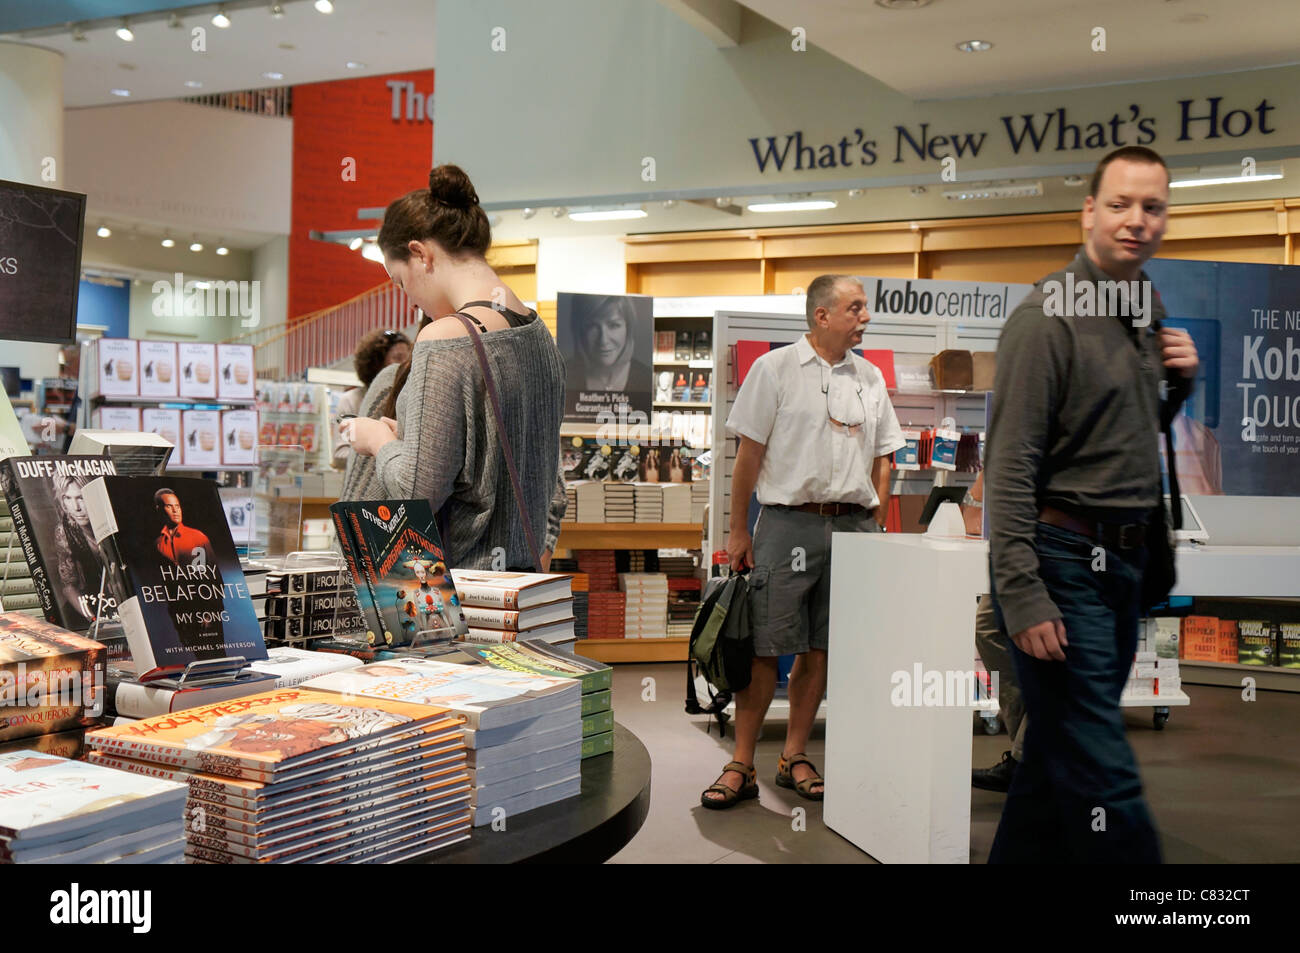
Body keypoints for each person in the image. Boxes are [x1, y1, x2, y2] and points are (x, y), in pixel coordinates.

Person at [985, 146, 1199, 863]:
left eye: (1153, 207)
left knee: (1055, 762)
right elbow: (1009, 463)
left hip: (1125, 570)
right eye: (1120, 204)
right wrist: (1022, 591)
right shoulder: (1046, 318)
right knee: (1107, 776)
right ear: (1088, 212)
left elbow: (1123, 438)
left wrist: (1178, 387)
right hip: (1064, 564)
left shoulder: (1146, 308)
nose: (1137, 221)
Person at [702, 274, 905, 808]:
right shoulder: (773, 371)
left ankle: (795, 756)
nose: (865, 316)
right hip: (786, 522)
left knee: (822, 645)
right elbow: (748, 455)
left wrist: (877, 516)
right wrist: (737, 529)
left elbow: (886, 454)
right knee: (765, 645)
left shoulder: (870, 378)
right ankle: (741, 763)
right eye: (855, 308)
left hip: (853, 528)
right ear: (822, 315)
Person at [345, 164, 567, 571]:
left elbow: (416, 492)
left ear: (420, 254)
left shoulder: (444, 338)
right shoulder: (538, 334)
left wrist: (378, 441)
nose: (410, 298)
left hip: (463, 592)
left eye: (400, 281)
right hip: (518, 583)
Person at [332, 329, 411, 470]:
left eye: (408, 359)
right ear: (376, 363)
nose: (405, 365)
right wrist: (378, 447)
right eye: (398, 358)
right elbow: (339, 454)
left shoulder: (408, 400)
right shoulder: (351, 401)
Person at [566, 295, 653, 395]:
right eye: (592, 326)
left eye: (613, 325)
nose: (603, 340)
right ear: (580, 331)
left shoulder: (646, 378)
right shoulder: (564, 376)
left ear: (628, 329)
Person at [52, 471, 106, 625]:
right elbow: (69, 586)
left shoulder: (111, 520)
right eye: (68, 498)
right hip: (88, 609)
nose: (76, 508)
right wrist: (93, 619)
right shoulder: (64, 532)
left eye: (81, 498)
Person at [153, 488, 215, 567]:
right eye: (169, 506)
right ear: (159, 509)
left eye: (177, 506)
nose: (175, 510)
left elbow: (213, 570)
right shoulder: (158, 544)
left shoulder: (199, 537)